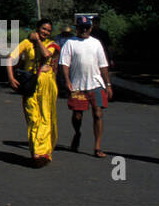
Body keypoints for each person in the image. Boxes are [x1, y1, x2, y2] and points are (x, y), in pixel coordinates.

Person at [6, 18, 59, 167]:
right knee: (33, 117)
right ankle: (36, 150)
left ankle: (42, 152)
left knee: (46, 117)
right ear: (37, 28)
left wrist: (37, 41)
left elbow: (47, 55)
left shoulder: (52, 44)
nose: (45, 32)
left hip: (47, 85)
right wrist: (10, 77)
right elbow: (10, 58)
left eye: (48, 30)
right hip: (31, 84)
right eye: (43, 29)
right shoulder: (26, 43)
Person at [58, 14, 112, 157]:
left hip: (96, 84)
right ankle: (77, 133)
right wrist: (67, 81)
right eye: (81, 28)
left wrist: (108, 84)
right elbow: (64, 63)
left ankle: (97, 147)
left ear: (91, 28)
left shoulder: (96, 43)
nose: (84, 30)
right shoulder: (70, 43)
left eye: (87, 28)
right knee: (77, 116)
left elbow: (103, 65)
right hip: (77, 86)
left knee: (98, 113)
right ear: (77, 28)